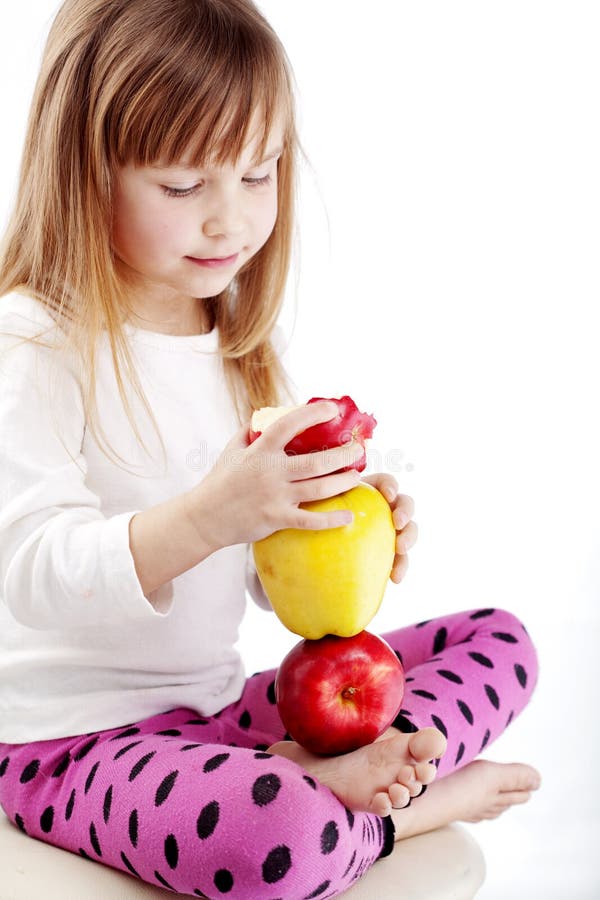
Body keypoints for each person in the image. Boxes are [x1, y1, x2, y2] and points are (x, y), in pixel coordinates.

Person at [0, 1, 541, 897]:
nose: (230, 222)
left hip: (220, 721)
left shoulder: (242, 347)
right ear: (85, 172)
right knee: (271, 833)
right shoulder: (33, 343)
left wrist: (337, 524)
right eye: (183, 187)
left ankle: (325, 789)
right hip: (72, 747)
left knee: (501, 641)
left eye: (259, 174)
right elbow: (31, 572)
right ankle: (397, 810)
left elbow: (260, 578)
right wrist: (211, 513)